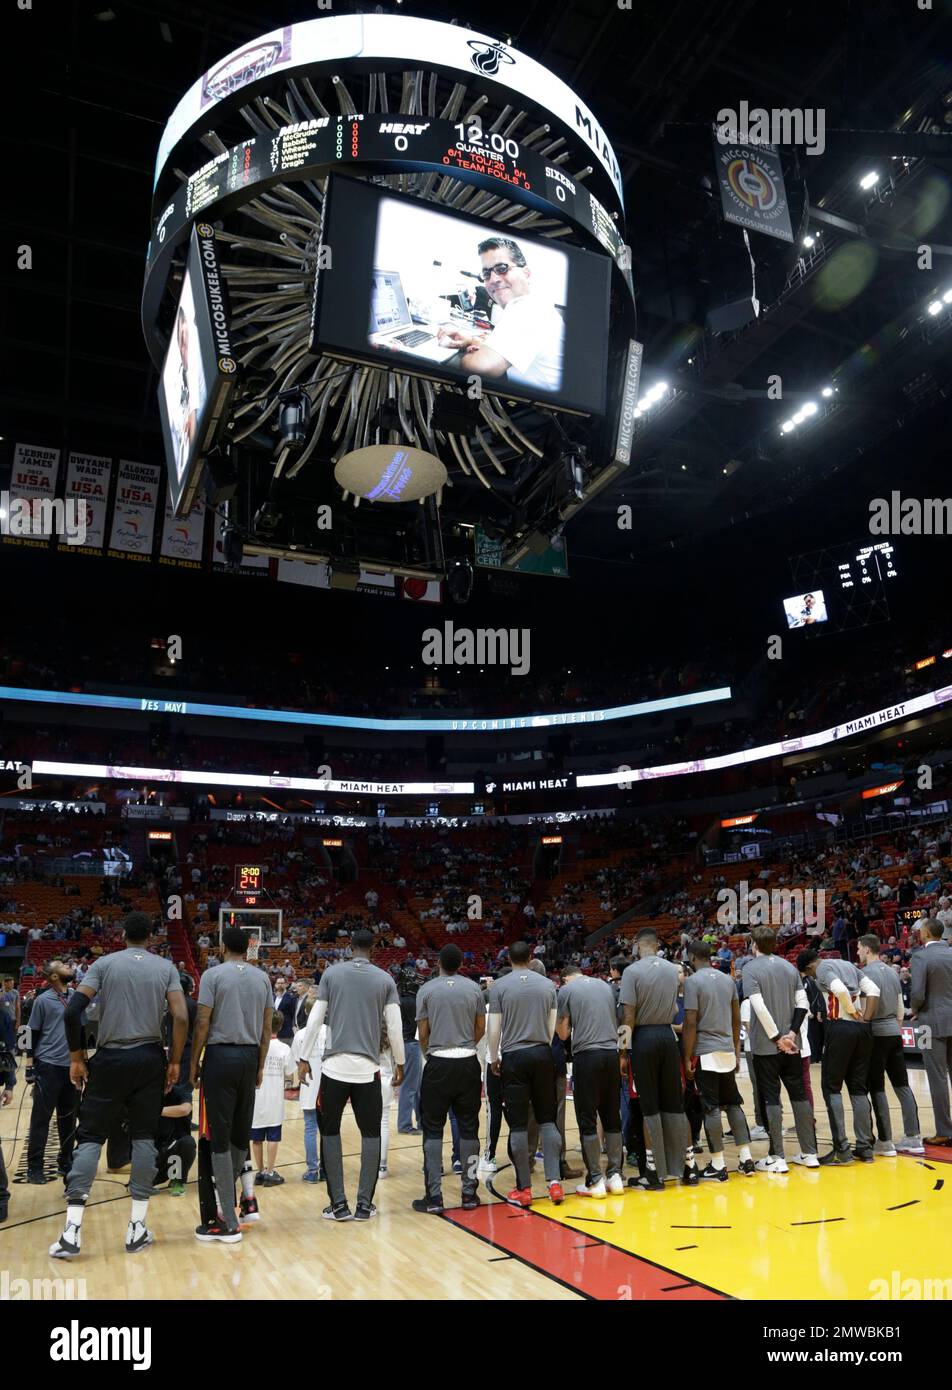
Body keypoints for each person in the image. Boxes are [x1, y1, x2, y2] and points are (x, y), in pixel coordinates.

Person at [50, 911, 187, 1260]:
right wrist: (174, 1062)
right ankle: (137, 1227)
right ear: (151, 936)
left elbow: (72, 1012)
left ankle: (71, 1232)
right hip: (148, 1059)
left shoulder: (104, 964)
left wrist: (77, 1057)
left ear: (123, 934)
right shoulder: (165, 967)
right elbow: (181, 1015)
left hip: (110, 1059)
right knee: (144, 1137)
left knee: (91, 1136)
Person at [296, 928, 405, 1222]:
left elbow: (315, 1018)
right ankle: (364, 1205)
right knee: (371, 1134)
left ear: (349, 946)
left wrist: (304, 1058)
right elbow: (394, 1027)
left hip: (334, 1069)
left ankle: (339, 1205)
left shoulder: (332, 974)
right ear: (374, 949)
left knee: (329, 1132)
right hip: (368, 1070)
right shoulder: (385, 979)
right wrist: (400, 1062)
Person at [191, 926, 273, 1243]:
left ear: (223, 947)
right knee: (241, 1135)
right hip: (250, 1056)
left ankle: (228, 1221)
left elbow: (202, 1021)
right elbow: (267, 1028)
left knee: (220, 1138)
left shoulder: (213, 976)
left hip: (220, 1057)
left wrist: (194, 1063)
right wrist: (261, 1065)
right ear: (249, 948)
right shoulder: (262, 978)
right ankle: (233, 1205)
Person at [436, 236, 565, 394]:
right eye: (487, 273)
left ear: (526, 273)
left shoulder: (529, 310)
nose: (494, 279)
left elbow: (478, 368)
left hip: (533, 413)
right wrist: (469, 340)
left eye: (502, 268)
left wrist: (471, 353)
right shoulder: (535, 305)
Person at [487, 940, 563, 1207]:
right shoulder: (548, 985)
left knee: (518, 1124)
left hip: (514, 1056)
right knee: (547, 1120)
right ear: (531, 958)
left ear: (509, 959)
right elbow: (552, 1026)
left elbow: (494, 1029)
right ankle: (555, 1184)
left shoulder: (500, 987)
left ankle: (525, 1189)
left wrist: (494, 1056)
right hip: (542, 1053)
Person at [619, 928, 696, 1189]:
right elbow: (674, 1008)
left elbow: (628, 1017)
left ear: (638, 945)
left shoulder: (631, 972)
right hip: (667, 1037)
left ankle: (653, 1172)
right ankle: (689, 1167)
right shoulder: (671, 969)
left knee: (648, 1108)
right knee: (675, 1106)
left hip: (643, 1039)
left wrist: (622, 1051)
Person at [412, 944, 484, 1214]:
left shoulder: (427, 990)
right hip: (467, 1062)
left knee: (432, 1130)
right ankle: (469, 1193)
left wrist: (432, 1054)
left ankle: (434, 1196)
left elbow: (423, 1031)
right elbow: (481, 1028)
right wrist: (465, 1046)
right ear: (461, 964)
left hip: (438, 1062)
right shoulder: (474, 989)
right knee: (469, 1129)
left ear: (439, 962)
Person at [741, 929, 817, 1173]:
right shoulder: (789, 967)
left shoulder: (751, 968)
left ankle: (778, 1157)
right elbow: (802, 1003)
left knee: (771, 1098)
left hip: (767, 1046)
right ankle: (809, 1153)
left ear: (754, 944)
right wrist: (792, 1034)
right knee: (799, 1095)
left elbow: (759, 1006)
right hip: (793, 1045)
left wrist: (776, 1038)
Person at [681, 941, 754, 1180]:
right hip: (726, 1050)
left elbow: (690, 1022)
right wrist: (735, 1050)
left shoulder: (693, 981)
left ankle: (718, 1164)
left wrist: (686, 1057)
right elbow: (736, 1020)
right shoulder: (728, 979)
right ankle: (746, 1159)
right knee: (733, 1104)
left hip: (705, 1052)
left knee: (710, 1108)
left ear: (692, 957)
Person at [799, 947, 878, 1164]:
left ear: (809, 967)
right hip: (862, 1031)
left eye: (809, 975)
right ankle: (865, 1147)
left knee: (831, 1087)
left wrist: (851, 1011)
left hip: (840, 1028)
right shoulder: (848, 964)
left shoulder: (822, 968)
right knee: (858, 1088)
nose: (812, 979)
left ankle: (842, 1149)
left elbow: (840, 989)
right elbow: (873, 989)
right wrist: (866, 1018)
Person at [556, 964, 624, 1198]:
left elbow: (563, 1033)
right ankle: (615, 1176)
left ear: (565, 979)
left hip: (587, 1056)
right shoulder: (605, 986)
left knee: (587, 1119)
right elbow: (620, 1021)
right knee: (612, 1116)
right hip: (611, 1054)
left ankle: (595, 1180)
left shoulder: (566, 991)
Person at [857, 934, 923, 1155]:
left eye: (859, 948)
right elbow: (898, 1007)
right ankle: (913, 1137)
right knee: (902, 1084)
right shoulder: (893, 971)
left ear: (867, 949)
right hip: (895, 1032)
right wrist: (894, 1027)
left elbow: (867, 1008)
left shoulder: (865, 974)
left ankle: (885, 1141)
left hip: (876, 1032)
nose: (857, 952)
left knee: (877, 1087)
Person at [25, 959, 79, 1184]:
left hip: (72, 1068)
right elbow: (28, 1032)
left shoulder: (77, 996)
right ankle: (34, 1167)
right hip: (48, 1066)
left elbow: (83, 1030)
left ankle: (65, 1162)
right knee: (41, 1119)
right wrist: (29, 1066)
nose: (68, 966)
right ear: (54, 976)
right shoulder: (42, 1000)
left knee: (69, 1119)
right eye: (62, 965)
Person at [909, 917, 952, 1145]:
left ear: (925, 933)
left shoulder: (920, 956)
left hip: (929, 1021)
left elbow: (917, 993)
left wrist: (914, 1010)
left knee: (937, 1077)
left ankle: (945, 1131)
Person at [250, 1013, 297, 1185]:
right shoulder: (284, 1048)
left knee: (256, 1137)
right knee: (273, 1137)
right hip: (274, 1099)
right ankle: (270, 1172)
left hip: (256, 1098)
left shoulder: (255, 1046)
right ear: (281, 1026)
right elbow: (290, 1070)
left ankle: (260, 1171)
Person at [290, 990, 324, 1183]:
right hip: (328, 1089)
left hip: (310, 1088)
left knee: (310, 1128)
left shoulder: (300, 1035)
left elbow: (297, 1062)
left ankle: (312, 1171)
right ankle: (327, 1170)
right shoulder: (330, 1032)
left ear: (305, 1010)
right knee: (328, 1131)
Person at [395, 966, 422, 1134]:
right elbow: (418, 1025)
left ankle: (421, 1121)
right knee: (410, 1087)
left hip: (404, 1044)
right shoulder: (411, 1001)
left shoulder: (398, 998)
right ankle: (404, 1125)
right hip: (411, 1044)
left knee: (416, 1087)